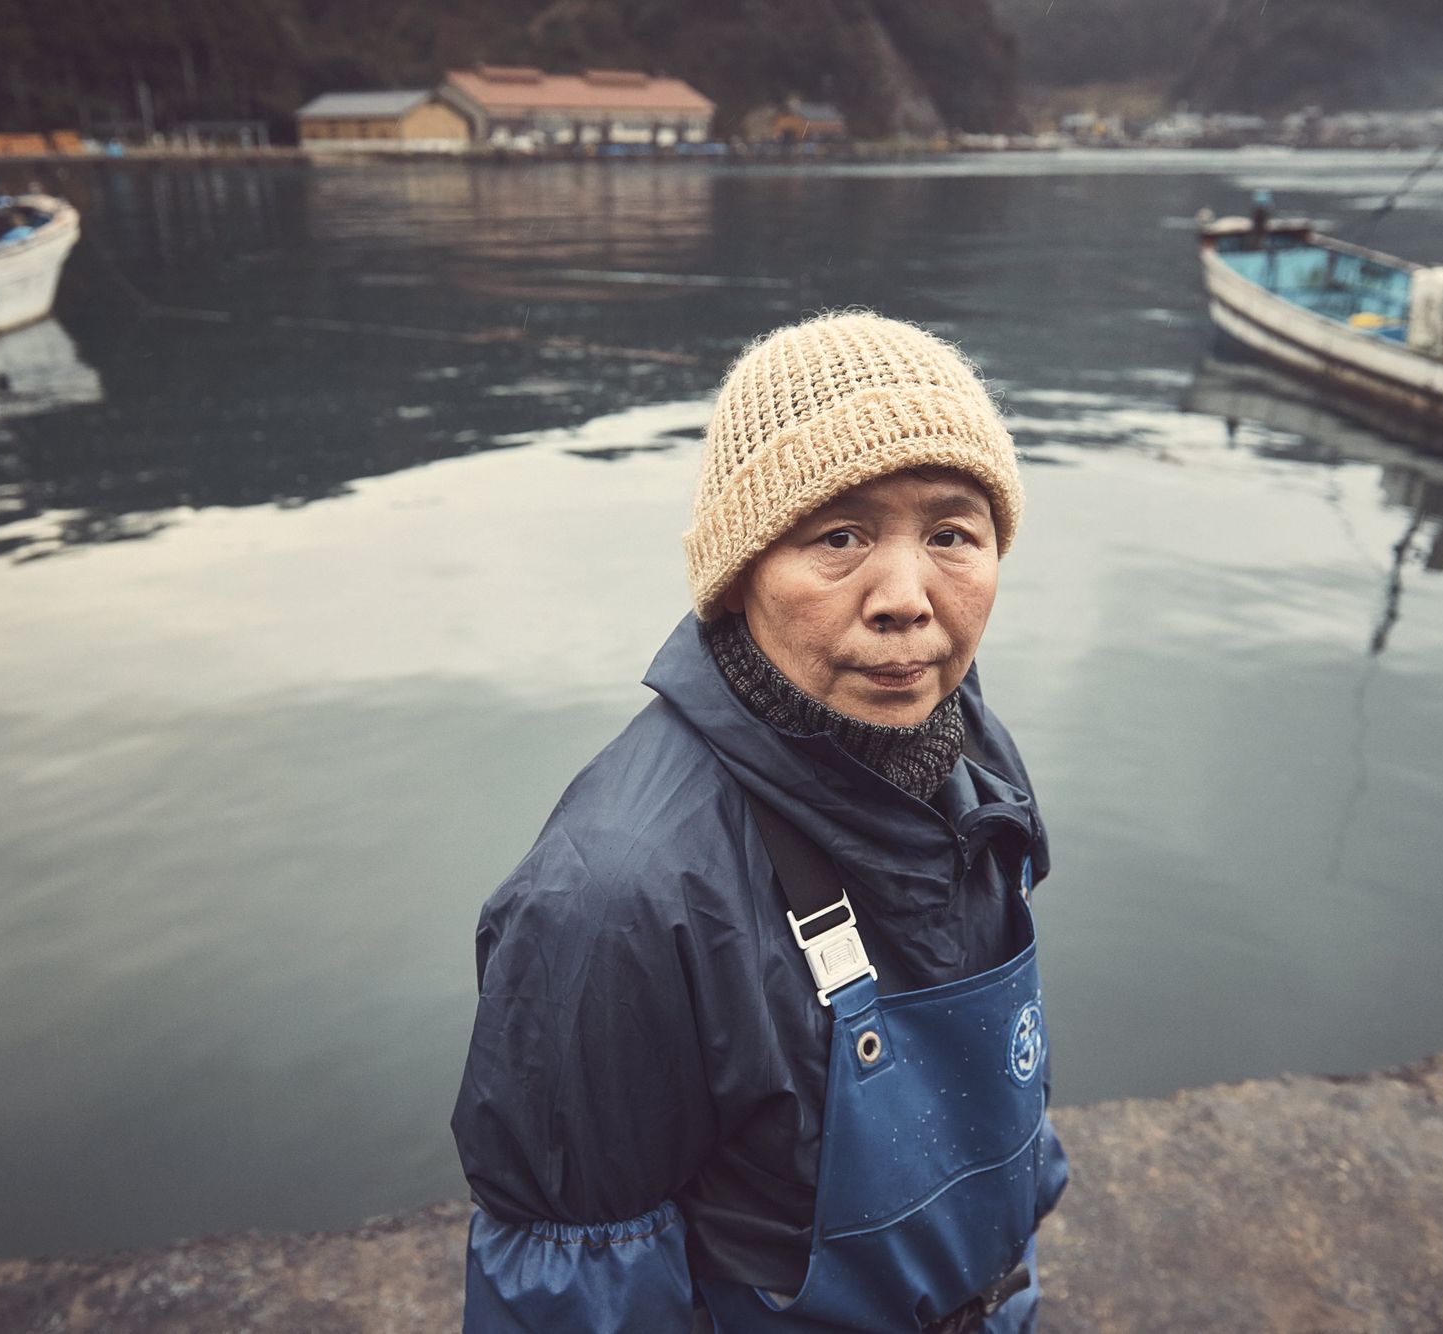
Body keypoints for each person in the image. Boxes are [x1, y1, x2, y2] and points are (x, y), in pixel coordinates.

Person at [451, 311, 1066, 1332]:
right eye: (839, 536)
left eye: (951, 533)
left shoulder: (966, 746)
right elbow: (577, 1291)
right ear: (737, 574)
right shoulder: (616, 898)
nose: (906, 599)